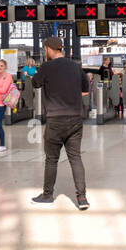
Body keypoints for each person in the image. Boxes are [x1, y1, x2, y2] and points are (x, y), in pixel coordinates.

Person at [32, 37, 90, 208]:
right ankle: (82, 198)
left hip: (55, 119)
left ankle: (47, 195)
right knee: (75, 158)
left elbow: (35, 83)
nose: (44, 52)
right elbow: (85, 90)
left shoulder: (46, 66)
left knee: (51, 159)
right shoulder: (75, 66)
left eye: (45, 49)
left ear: (49, 49)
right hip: (75, 119)